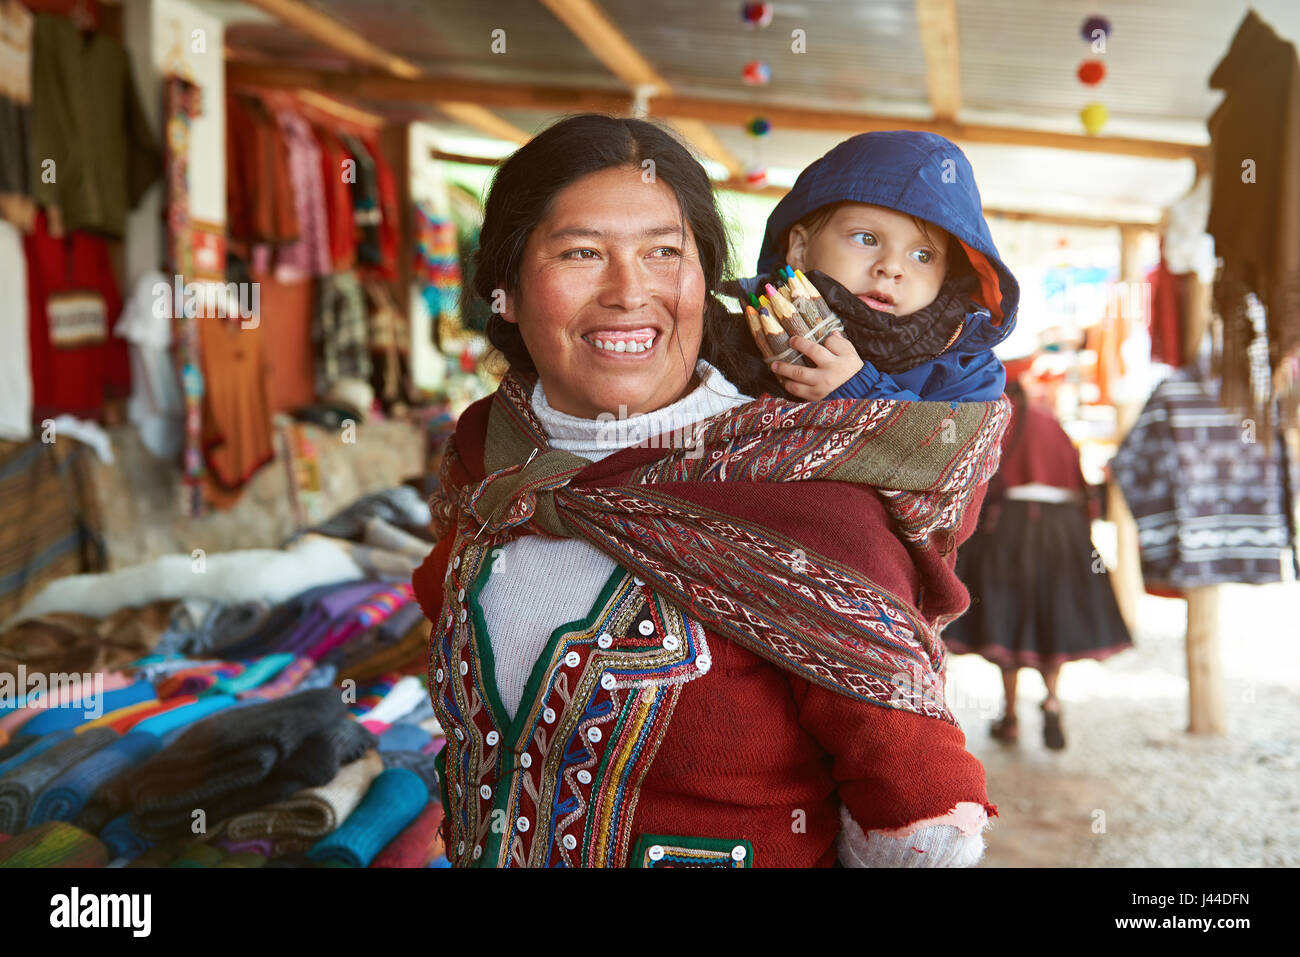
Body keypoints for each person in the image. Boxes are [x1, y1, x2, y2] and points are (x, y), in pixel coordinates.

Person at [412, 114, 1013, 867]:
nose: (629, 291)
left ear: (705, 279)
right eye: (582, 252)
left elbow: (924, 828)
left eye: (664, 252)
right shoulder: (490, 460)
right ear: (505, 285)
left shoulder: (805, 502)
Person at [731, 131, 1017, 403]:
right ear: (800, 249)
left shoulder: (967, 370)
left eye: (923, 256)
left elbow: (949, 450)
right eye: (866, 238)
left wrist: (858, 391)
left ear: (948, 274)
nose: (891, 268)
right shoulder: (740, 336)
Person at [943, 372, 1134, 749]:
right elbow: (1082, 488)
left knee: (1006, 615)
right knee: (1053, 612)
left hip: (1008, 528)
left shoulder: (995, 418)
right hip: (1061, 531)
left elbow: (978, 481)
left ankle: (1010, 716)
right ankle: (1050, 701)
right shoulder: (1051, 421)